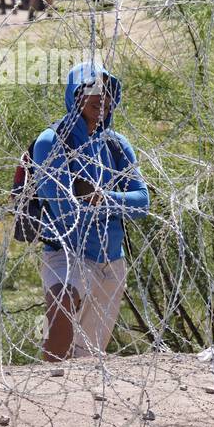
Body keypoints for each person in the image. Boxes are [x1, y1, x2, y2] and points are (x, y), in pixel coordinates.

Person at [32, 60, 150, 360]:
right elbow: (65, 212)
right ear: (75, 94)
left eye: (108, 91)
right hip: (67, 254)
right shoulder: (52, 142)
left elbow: (143, 201)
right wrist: (112, 204)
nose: (102, 99)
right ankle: (44, 394)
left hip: (111, 263)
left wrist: (101, 199)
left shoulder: (116, 145)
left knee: (86, 357)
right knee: (59, 328)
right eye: (93, 90)